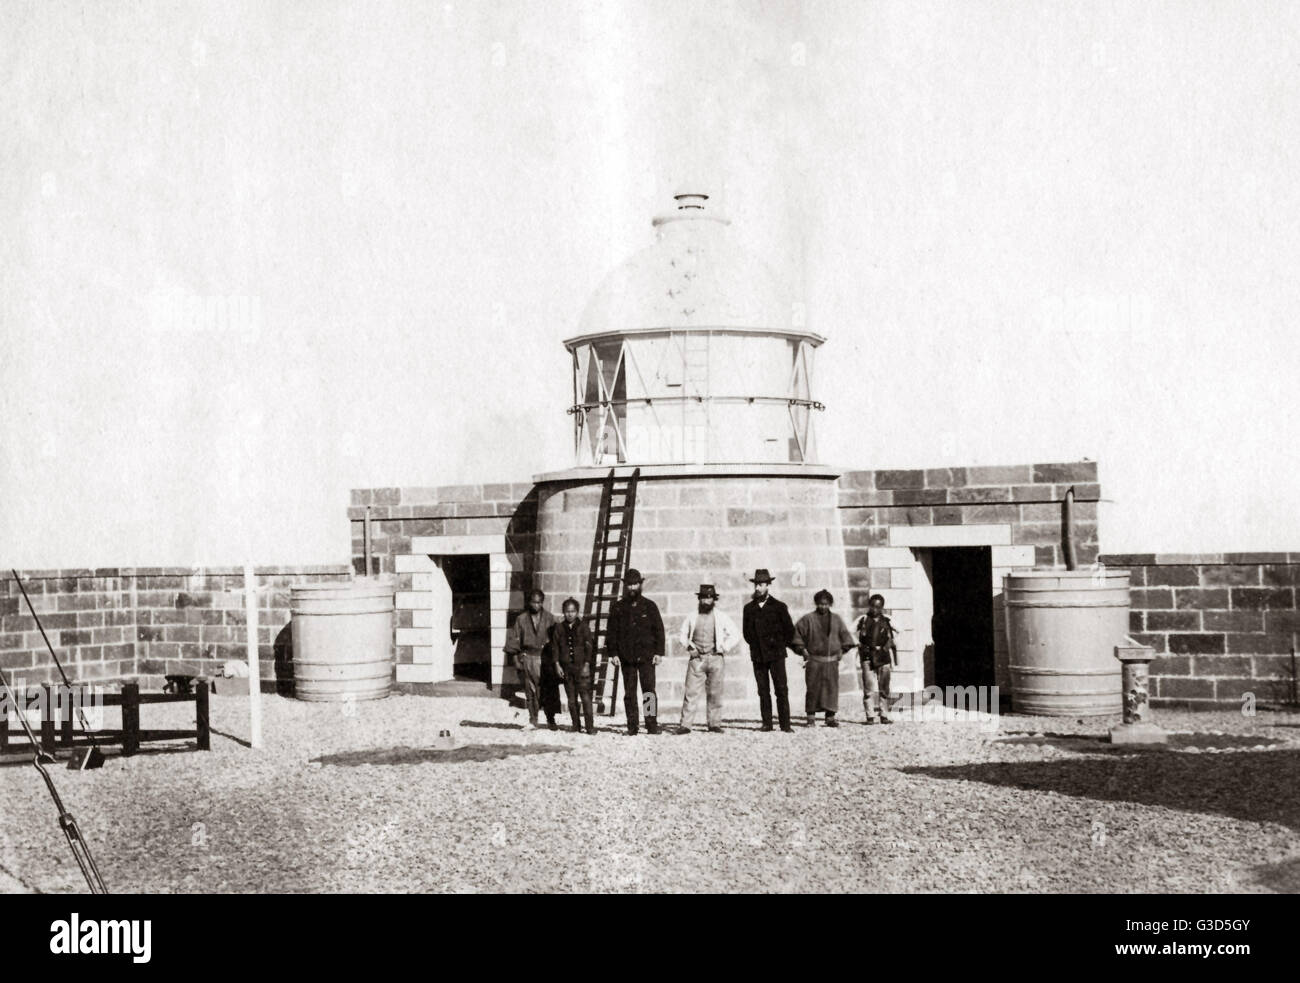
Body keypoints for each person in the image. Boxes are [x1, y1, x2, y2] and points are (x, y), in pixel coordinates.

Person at [677, 584, 742, 734]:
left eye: (709, 598)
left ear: (714, 599)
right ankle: (685, 725)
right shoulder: (692, 616)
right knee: (691, 692)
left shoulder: (721, 616)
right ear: (699, 599)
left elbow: (735, 634)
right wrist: (689, 647)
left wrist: (723, 648)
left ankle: (714, 724)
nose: (706, 601)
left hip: (715, 658)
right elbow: (682, 634)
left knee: (715, 692)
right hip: (697, 660)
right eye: (703, 598)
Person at [606, 568, 664, 735]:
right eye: (630, 585)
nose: (632, 588)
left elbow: (659, 631)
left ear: (641, 584)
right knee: (629, 693)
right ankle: (632, 726)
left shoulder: (650, 606)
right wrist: (613, 654)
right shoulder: (618, 608)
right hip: (627, 658)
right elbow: (612, 633)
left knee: (649, 691)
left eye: (635, 584)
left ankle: (651, 724)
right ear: (626, 586)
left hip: (647, 657)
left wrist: (658, 653)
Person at [742, 568, 796, 733]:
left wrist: (777, 645)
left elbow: (790, 631)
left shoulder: (779, 607)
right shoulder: (749, 608)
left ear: (768, 585)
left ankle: (785, 724)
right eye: (756, 584)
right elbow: (747, 633)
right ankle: (767, 723)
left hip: (776, 655)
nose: (758, 588)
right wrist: (757, 646)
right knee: (763, 690)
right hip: (758, 655)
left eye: (762, 584)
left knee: (781, 689)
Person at [792, 589, 857, 728]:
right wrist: (802, 650)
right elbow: (795, 635)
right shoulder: (808, 619)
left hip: (831, 661)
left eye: (826, 604)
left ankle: (830, 717)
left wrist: (842, 650)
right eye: (821, 604)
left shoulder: (837, 619)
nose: (823, 607)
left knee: (831, 688)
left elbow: (846, 637)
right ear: (816, 604)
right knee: (813, 689)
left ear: (830, 604)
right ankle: (810, 718)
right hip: (814, 661)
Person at [503, 588, 560, 730]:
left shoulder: (550, 618)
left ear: (542, 603)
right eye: (534, 602)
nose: (536, 605)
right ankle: (533, 719)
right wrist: (516, 661)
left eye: (539, 602)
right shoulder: (521, 619)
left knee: (548, 690)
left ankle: (550, 719)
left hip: (545, 659)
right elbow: (514, 640)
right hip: (528, 658)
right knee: (530, 691)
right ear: (529, 602)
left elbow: (557, 641)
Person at [551, 597, 597, 734]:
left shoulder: (583, 627)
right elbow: (555, 648)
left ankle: (590, 727)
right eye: (567, 611)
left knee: (586, 698)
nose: (570, 614)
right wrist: (557, 665)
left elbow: (589, 647)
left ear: (577, 612)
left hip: (581, 668)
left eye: (573, 611)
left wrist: (587, 664)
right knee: (571, 699)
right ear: (563, 612)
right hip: (567, 669)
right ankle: (576, 725)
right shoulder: (559, 628)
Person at [856, 594, 898, 724]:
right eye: (873, 606)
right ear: (869, 605)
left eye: (878, 607)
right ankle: (870, 716)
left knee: (884, 687)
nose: (875, 609)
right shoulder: (863, 619)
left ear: (882, 607)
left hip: (883, 656)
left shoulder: (887, 620)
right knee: (868, 687)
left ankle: (884, 715)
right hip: (867, 656)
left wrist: (891, 642)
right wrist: (859, 645)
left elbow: (900, 630)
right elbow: (850, 632)